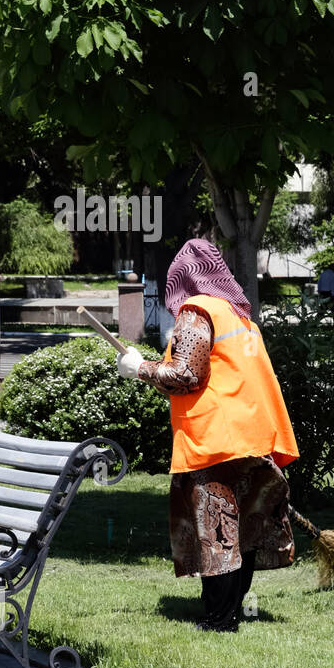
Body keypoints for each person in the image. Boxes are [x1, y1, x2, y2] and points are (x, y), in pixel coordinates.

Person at [116, 239, 300, 633]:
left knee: (218, 533)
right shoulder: (239, 316)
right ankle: (229, 610)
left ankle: (219, 621)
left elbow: (186, 375)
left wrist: (140, 368)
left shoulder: (197, 311)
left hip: (215, 440)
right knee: (243, 532)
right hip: (252, 437)